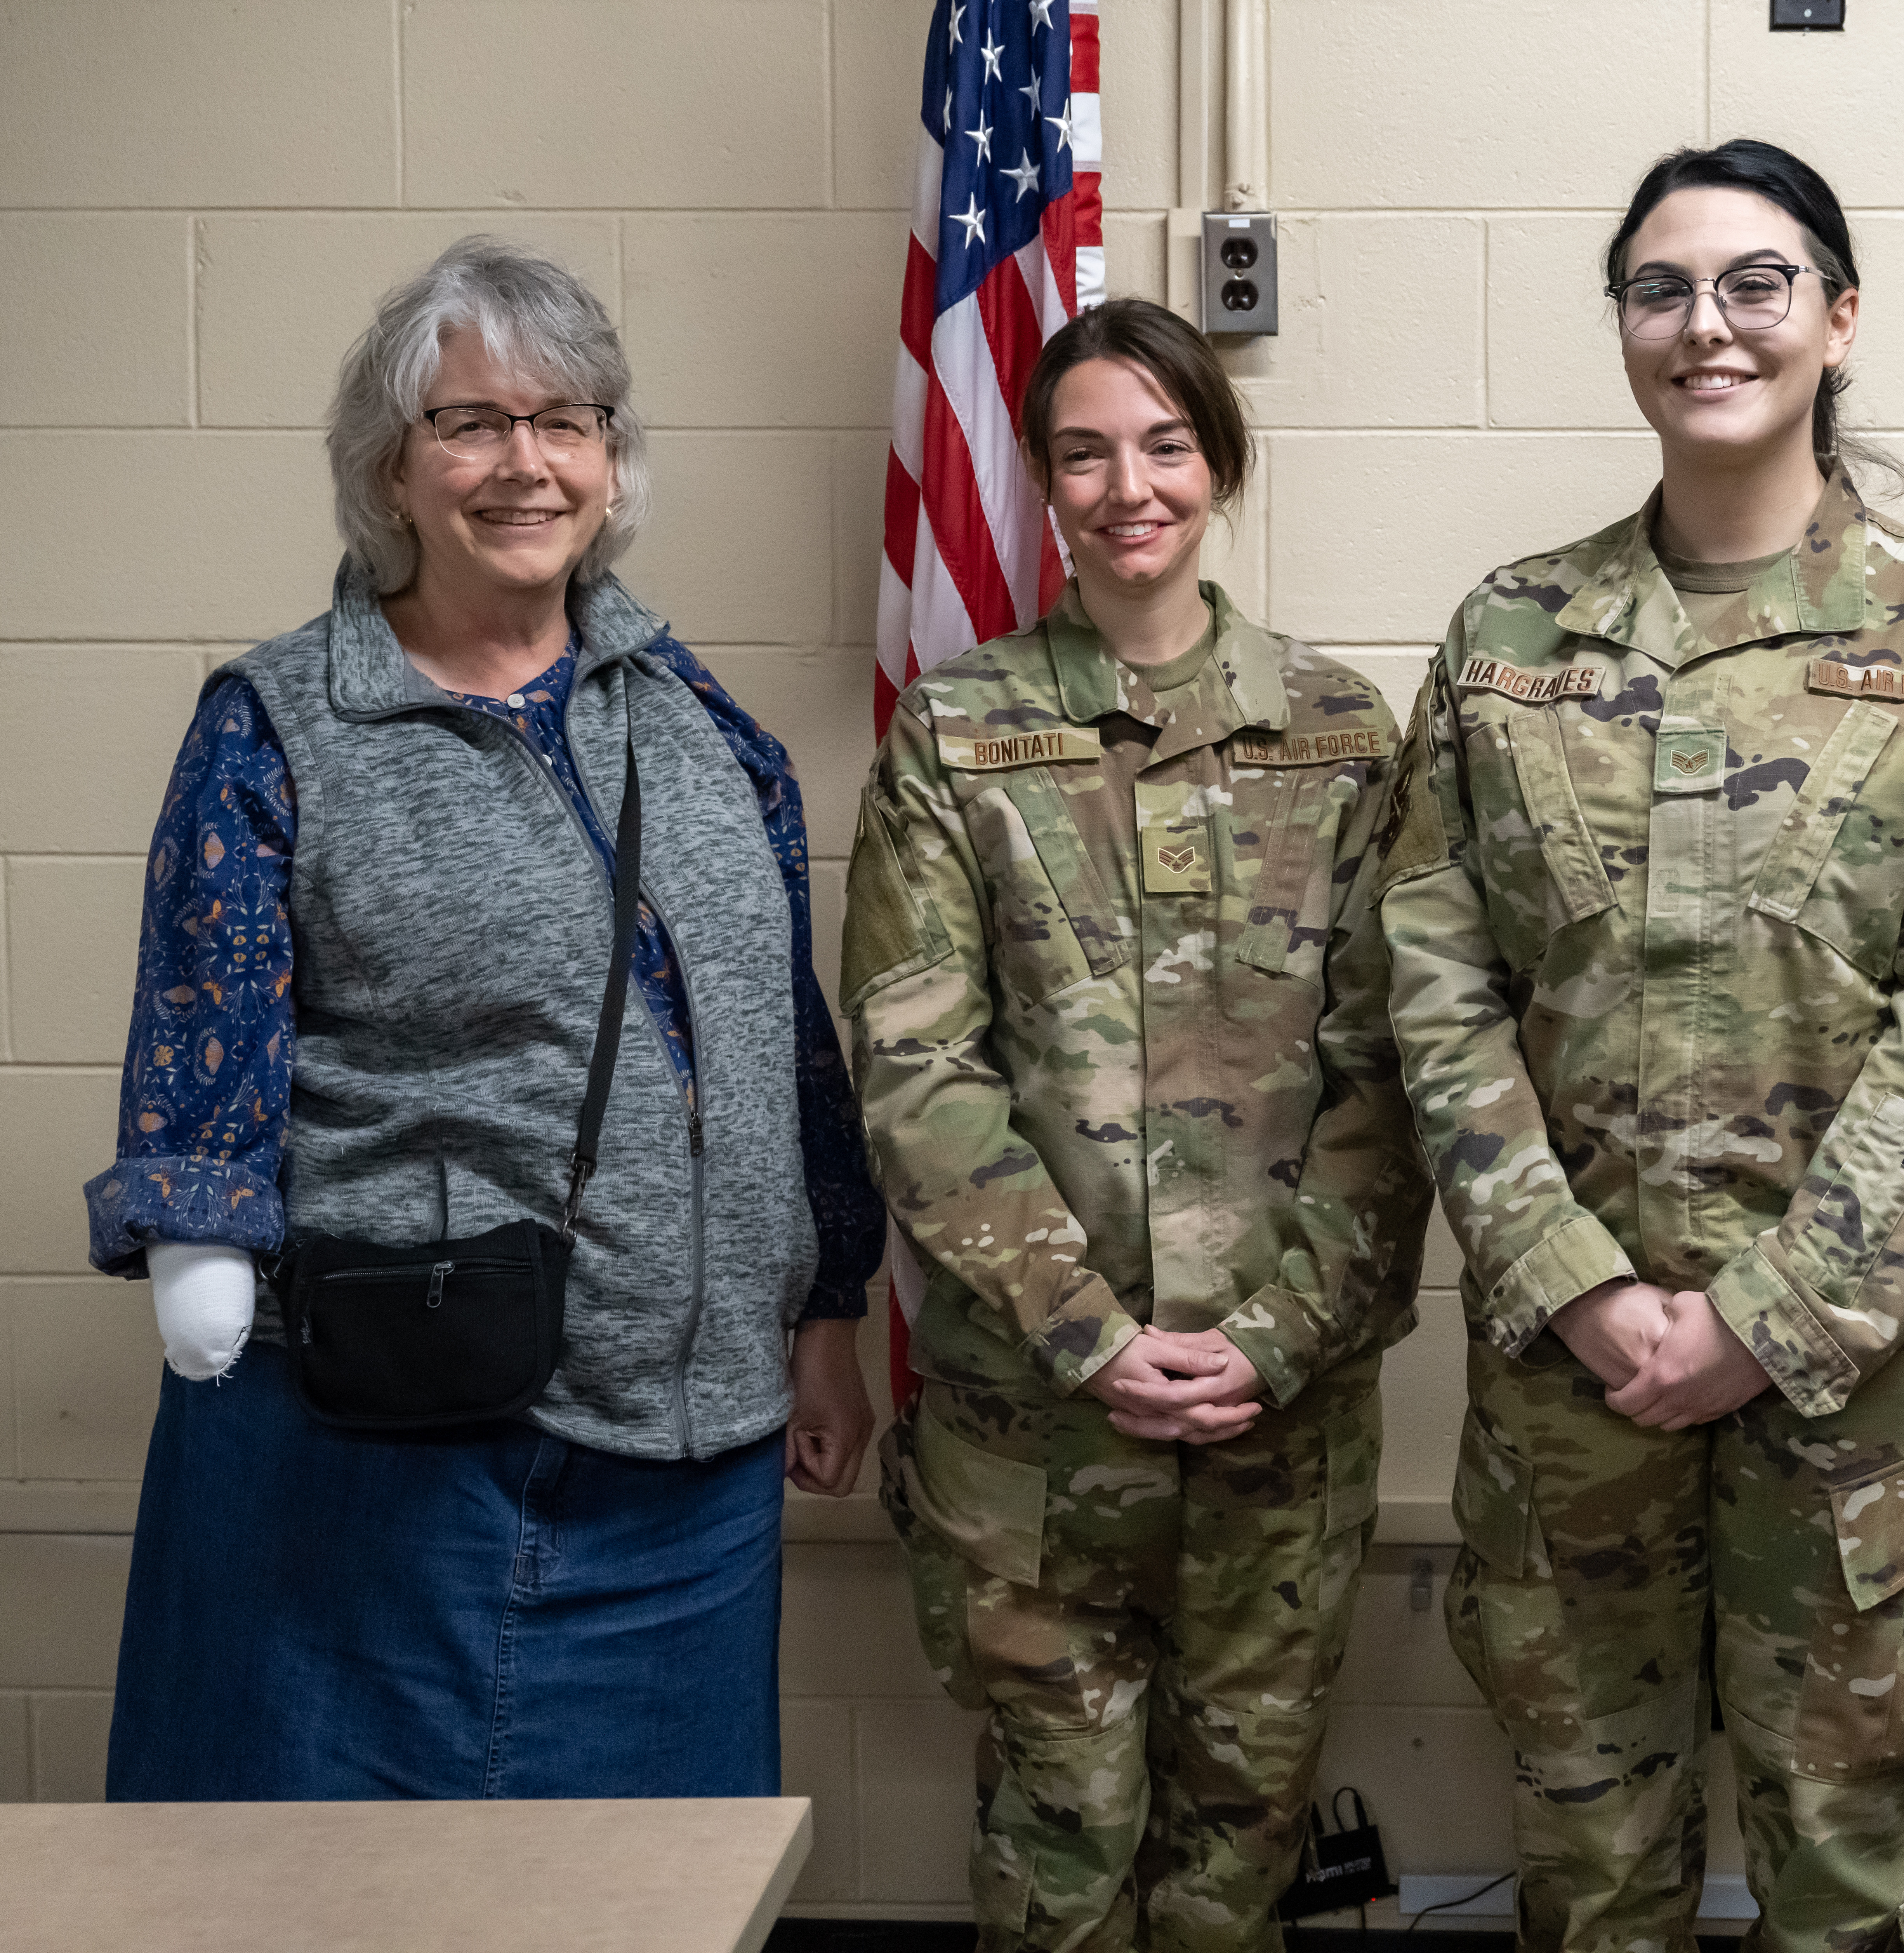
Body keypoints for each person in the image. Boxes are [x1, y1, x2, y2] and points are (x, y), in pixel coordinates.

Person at [1376, 140, 1904, 1953]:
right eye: (1662, 288)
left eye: (1756, 283)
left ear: (1837, 318)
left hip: (1861, 1402)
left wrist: (1764, 1321)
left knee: (1840, 1882)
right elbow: (1433, 983)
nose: (1709, 325)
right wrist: (1577, 1281)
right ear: (1622, 328)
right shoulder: (1506, 635)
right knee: (1589, 1875)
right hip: (1574, 1384)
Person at [82, 236, 885, 1800]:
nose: (525, 461)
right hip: (408, 1444)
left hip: (692, 1458)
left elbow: (781, 1044)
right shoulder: (281, 719)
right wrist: (192, 1224)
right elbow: (204, 1004)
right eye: (471, 423)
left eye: (565, 421)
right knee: (351, 1890)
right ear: (390, 469)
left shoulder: (699, 720)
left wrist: (827, 1308)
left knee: (646, 1891)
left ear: (611, 461)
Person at [844, 297, 1429, 1953]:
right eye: (1086, 452)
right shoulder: (957, 739)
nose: (1128, 486)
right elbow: (915, 1067)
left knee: (1238, 1853)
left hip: (1278, 1420)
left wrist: (1281, 1330)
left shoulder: (1338, 734)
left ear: (1218, 465)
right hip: (1034, 1430)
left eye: (1164, 444)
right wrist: (1090, 1333)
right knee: (1060, 1841)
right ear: (1038, 479)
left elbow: (1393, 1070)